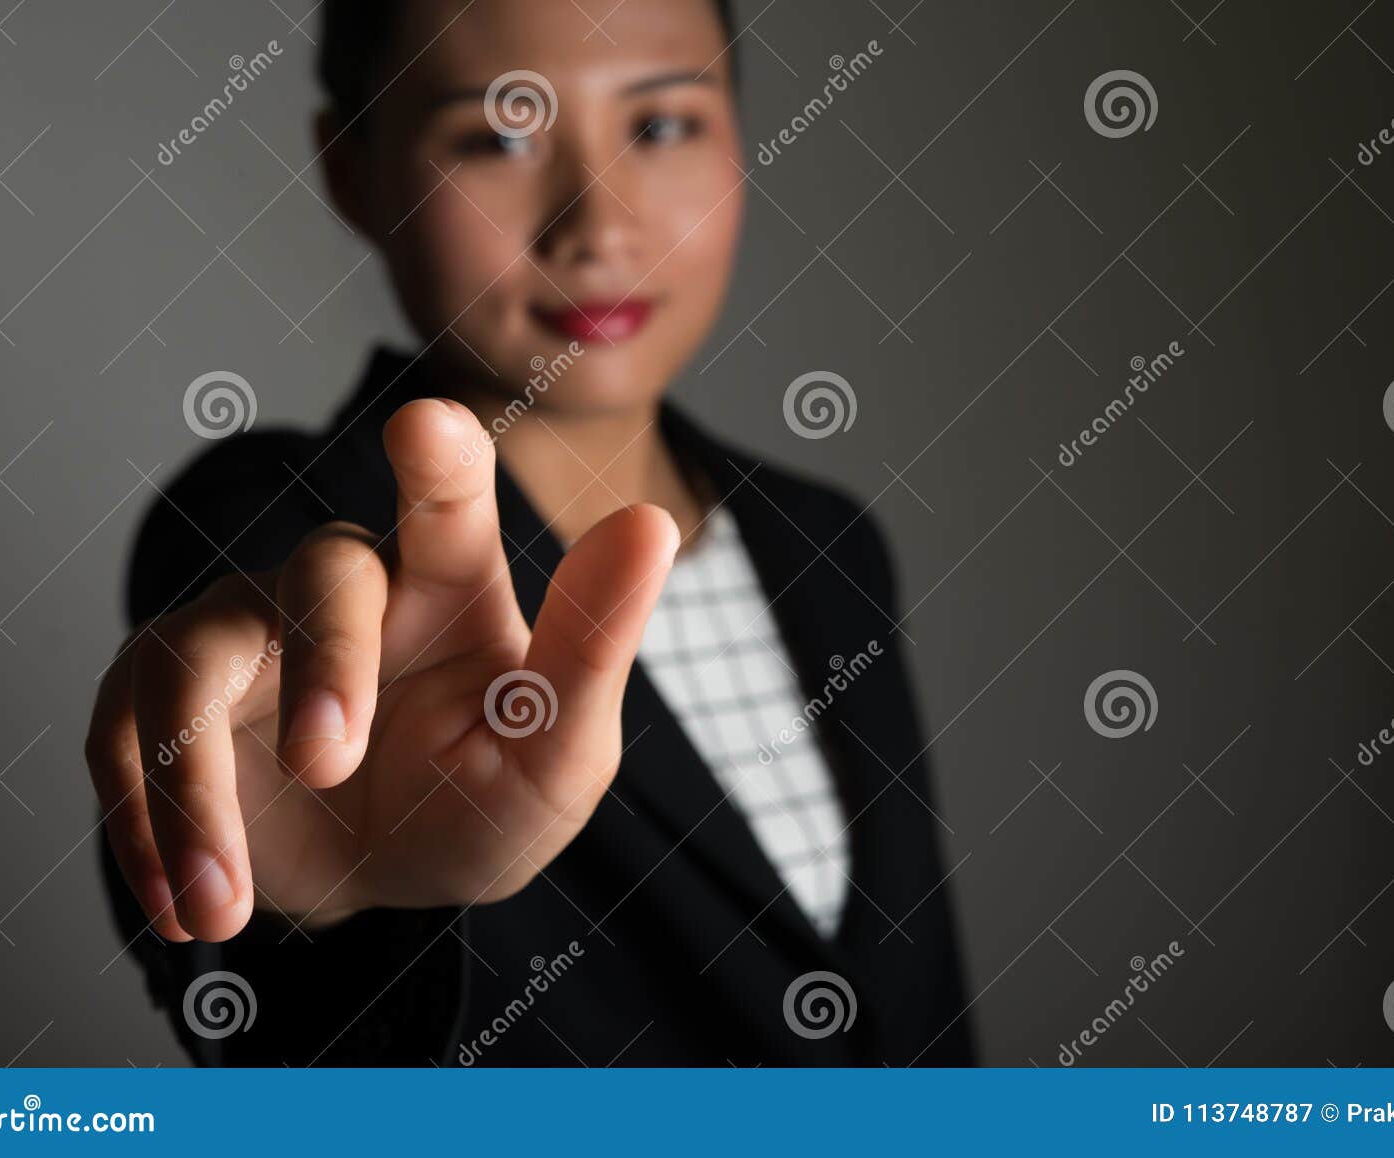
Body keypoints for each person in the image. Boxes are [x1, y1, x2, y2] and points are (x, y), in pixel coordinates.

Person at [87, 0, 971, 1066]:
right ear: (351, 170)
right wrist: (322, 907)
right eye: (498, 137)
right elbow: (290, 1017)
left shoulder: (826, 543)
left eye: (661, 126)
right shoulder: (275, 522)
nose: (596, 225)